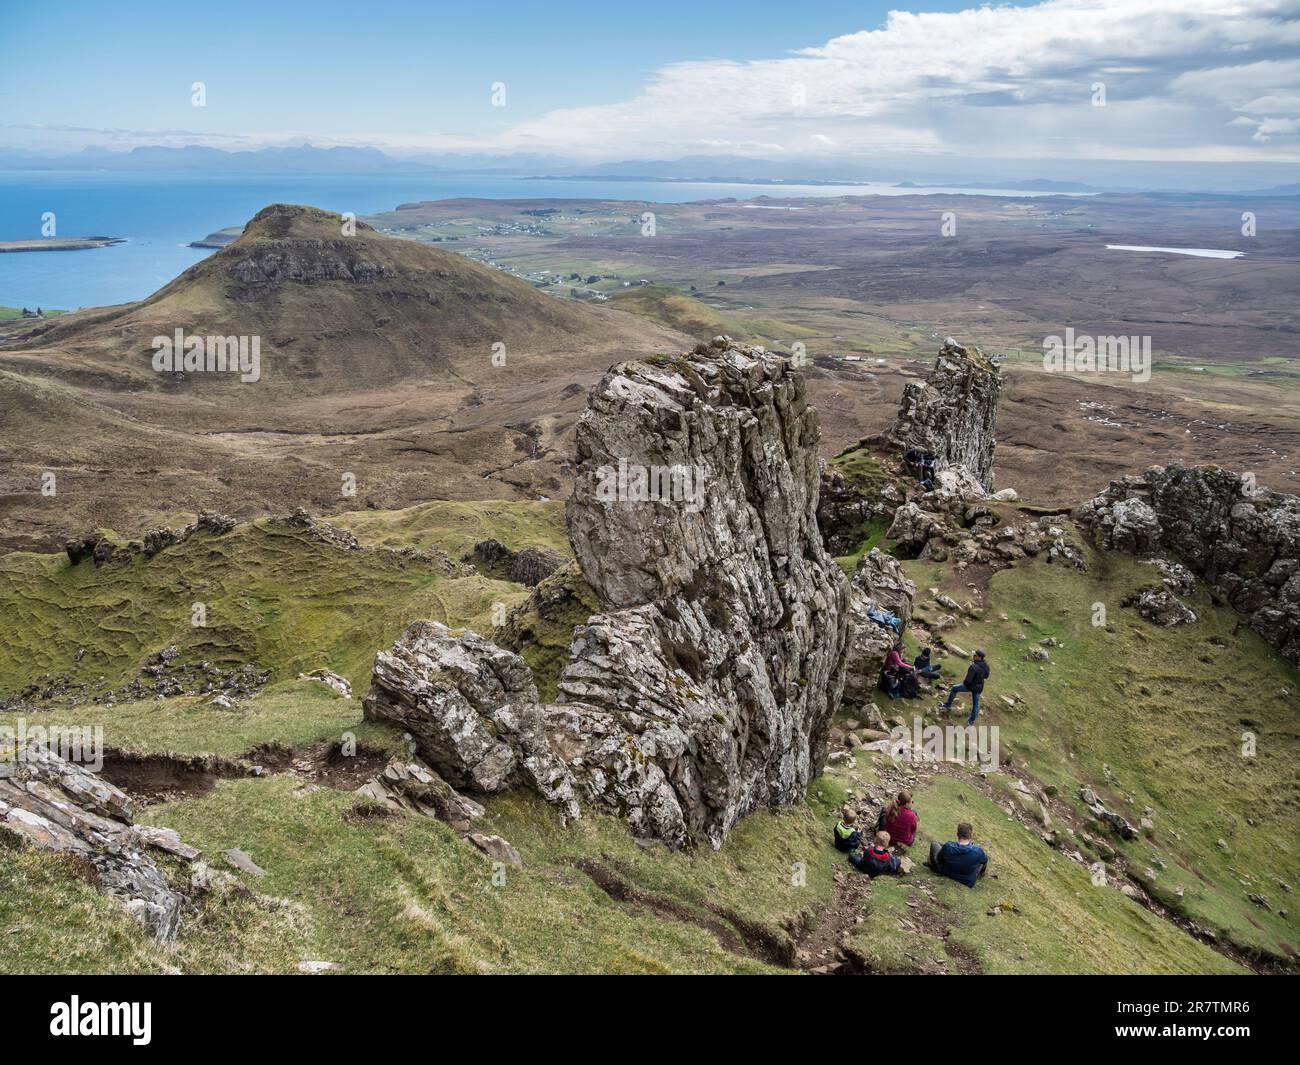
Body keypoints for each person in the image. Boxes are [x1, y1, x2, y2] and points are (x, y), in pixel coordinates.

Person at [927, 823, 989, 887]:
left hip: (946, 872)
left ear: (957, 834)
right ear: (971, 835)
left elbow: (939, 859)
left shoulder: (948, 846)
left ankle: (931, 864)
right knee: (983, 858)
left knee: (935, 844)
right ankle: (981, 875)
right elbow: (985, 860)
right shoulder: (978, 851)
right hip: (967, 881)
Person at [942, 649, 990, 725]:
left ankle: (948, 705)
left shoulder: (973, 667)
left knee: (954, 688)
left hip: (970, 686)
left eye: (975, 655)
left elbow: (967, 681)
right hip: (979, 688)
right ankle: (971, 722)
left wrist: (965, 684)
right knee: (976, 705)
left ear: (979, 657)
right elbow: (986, 676)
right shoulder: (986, 666)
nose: (973, 656)